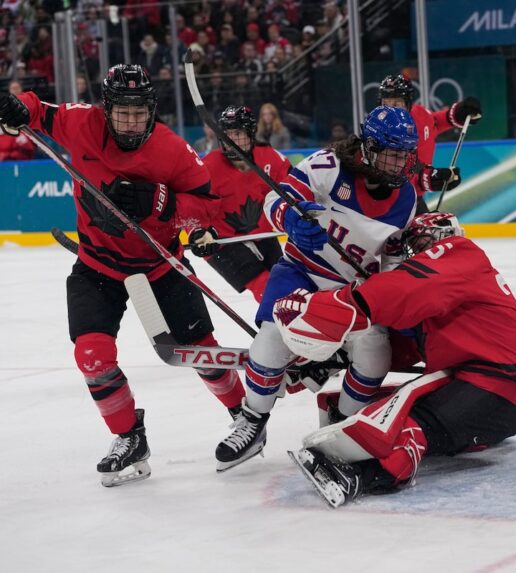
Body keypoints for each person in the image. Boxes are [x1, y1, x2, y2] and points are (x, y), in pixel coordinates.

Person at [0, 64, 245, 487]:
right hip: (98, 265)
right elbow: (37, 110)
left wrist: (160, 202)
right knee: (91, 355)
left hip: (160, 263)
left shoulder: (172, 150)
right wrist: (15, 108)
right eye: (123, 112)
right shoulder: (81, 122)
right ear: (106, 107)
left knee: (201, 348)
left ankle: (244, 415)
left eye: (140, 112)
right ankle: (130, 437)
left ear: (152, 110)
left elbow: (208, 207)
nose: (132, 122)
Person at [278, 212, 516, 508]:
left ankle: (365, 476)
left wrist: (324, 307)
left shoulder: (458, 253)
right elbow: (405, 346)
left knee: (413, 424)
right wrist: (332, 357)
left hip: (495, 387)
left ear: (446, 234)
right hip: (495, 393)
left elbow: (399, 290)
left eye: (421, 241)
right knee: (391, 403)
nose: (416, 251)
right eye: (412, 245)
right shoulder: (452, 282)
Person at [214, 105, 419, 472]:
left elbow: (392, 257)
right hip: (302, 273)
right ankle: (253, 421)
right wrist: (291, 218)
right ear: (369, 147)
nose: (397, 164)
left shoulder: (406, 200)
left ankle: (345, 424)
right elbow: (276, 198)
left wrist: (392, 290)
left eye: (404, 156)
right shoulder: (327, 166)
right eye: (390, 154)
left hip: (353, 291)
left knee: (376, 354)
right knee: (270, 339)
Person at [197, 105, 291, 302]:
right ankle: (276, 327)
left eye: (238, 133)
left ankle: (279, 329)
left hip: (263, 235)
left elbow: (295, 189)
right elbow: (193, 205)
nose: (231, 140)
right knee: (265, 287)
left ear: (251, 133)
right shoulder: (208, 168)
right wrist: (197, 230)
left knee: (286, 284)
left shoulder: (269, 158)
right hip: (222, 242)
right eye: (227, 134)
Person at [377, 74, 482, 213]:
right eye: (386, 104)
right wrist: (425, 180)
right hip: (388, 206)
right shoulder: (377, 132)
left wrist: (458, 114)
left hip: (415, 200)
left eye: (396, 104)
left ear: (408, 104)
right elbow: (386, 178)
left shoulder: (419, 113)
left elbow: (434, 123)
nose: (391, 110)